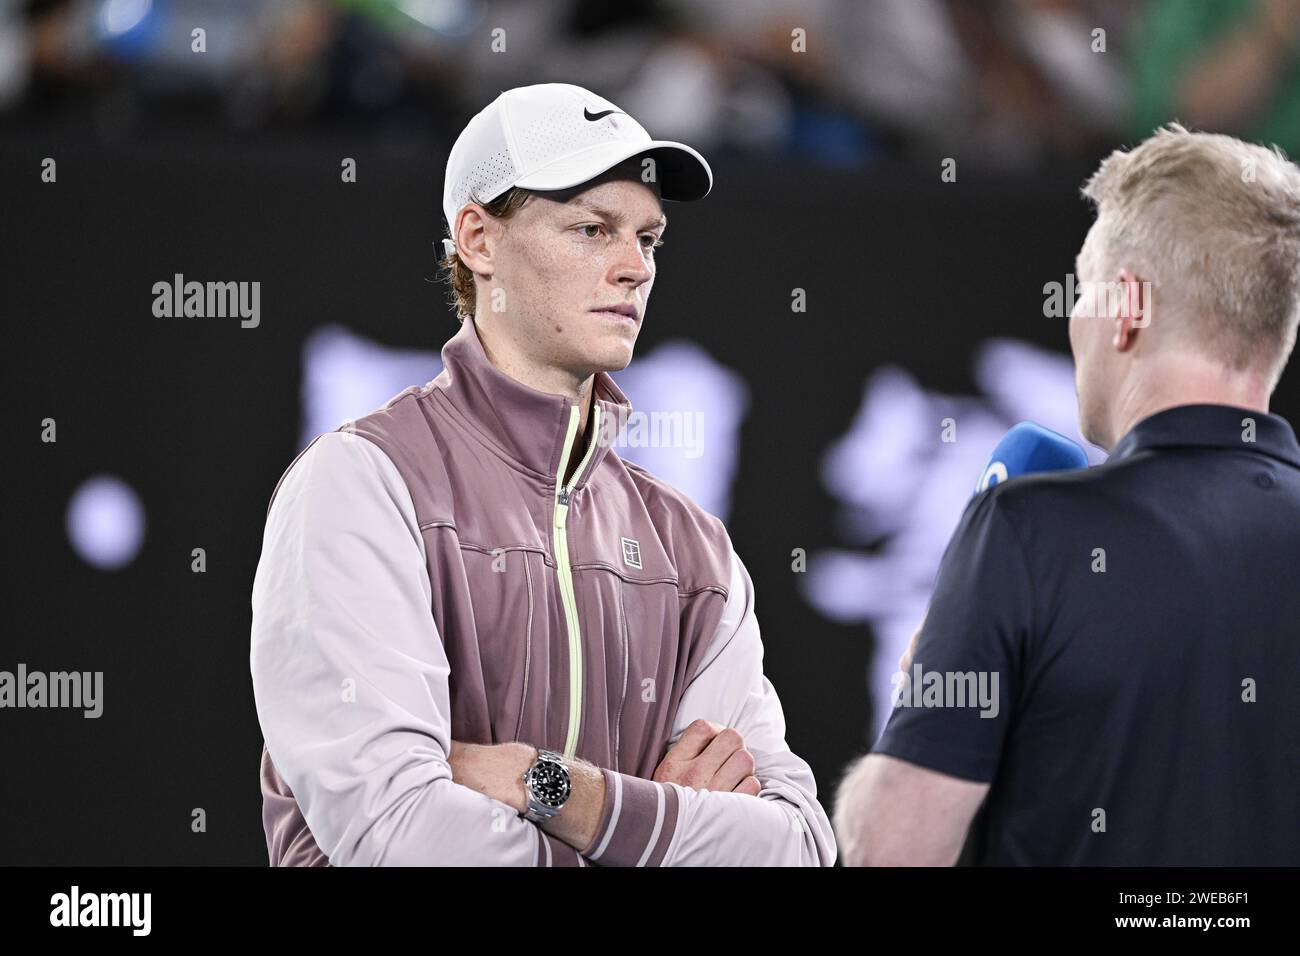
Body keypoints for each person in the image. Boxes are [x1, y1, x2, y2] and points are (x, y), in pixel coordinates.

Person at [250, 82, 835, 866]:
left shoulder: (696, 551)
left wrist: (547, 784)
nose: (634, 268)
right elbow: (400, 837)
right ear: (479, 241)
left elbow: (797, 847)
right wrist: (662, 833)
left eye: (649, 238)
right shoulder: (360, 484)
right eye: (593, 229)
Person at [834, 124, 1300, 865]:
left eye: (1083, 292)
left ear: (1130, 306)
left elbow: (893, 848)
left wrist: (927, 698)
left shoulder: (1028, 530)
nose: (1075, 323)